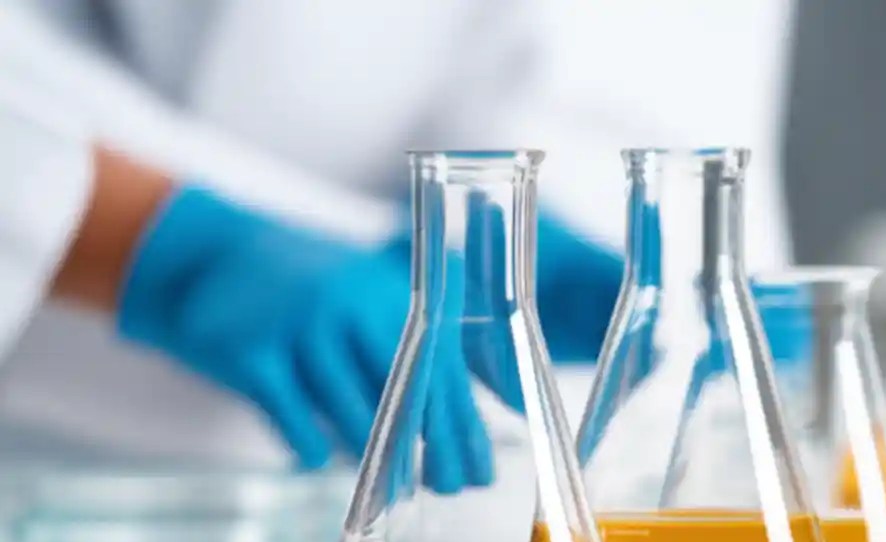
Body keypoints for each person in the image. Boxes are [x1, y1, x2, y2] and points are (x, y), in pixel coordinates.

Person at [0, 0, 797, 470]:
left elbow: (644, 67)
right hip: (57, 446)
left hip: (498, 496)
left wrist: (516, 216)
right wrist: (143, 234)